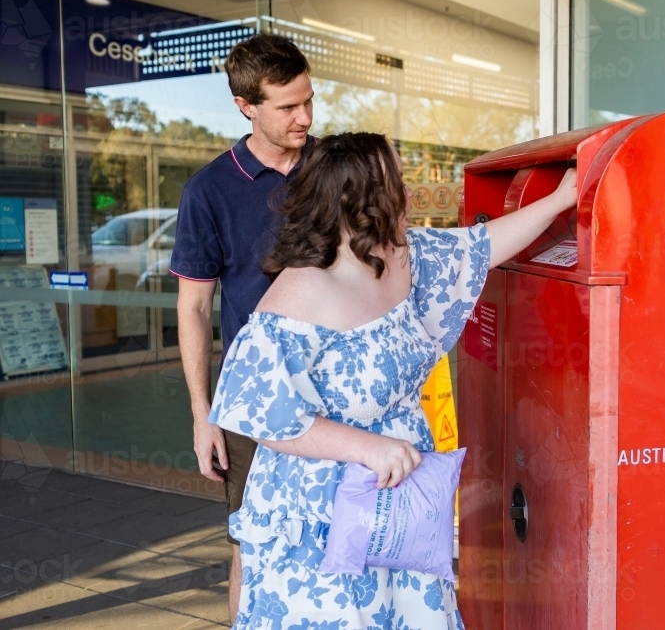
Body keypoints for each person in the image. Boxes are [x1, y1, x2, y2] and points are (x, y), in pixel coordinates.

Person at [208, 132, 577, 628]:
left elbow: (482, 246)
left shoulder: (400, 257)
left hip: (399, 505)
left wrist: (560, 199)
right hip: (323, 518)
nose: (407, 193)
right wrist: (367, 447)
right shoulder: (299, 293)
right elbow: (259, 416)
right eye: (396, 182)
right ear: (362, 200)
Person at [170, 33, 313, 622]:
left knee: (350, 532)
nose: (304, 117)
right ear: (245, 105)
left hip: (344, 386)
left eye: (309, 100)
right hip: (257, 396)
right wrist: (203, 414)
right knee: (251, 540)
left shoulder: (336, 170)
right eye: (287, 106)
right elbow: (195, 308)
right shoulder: (209, 190)